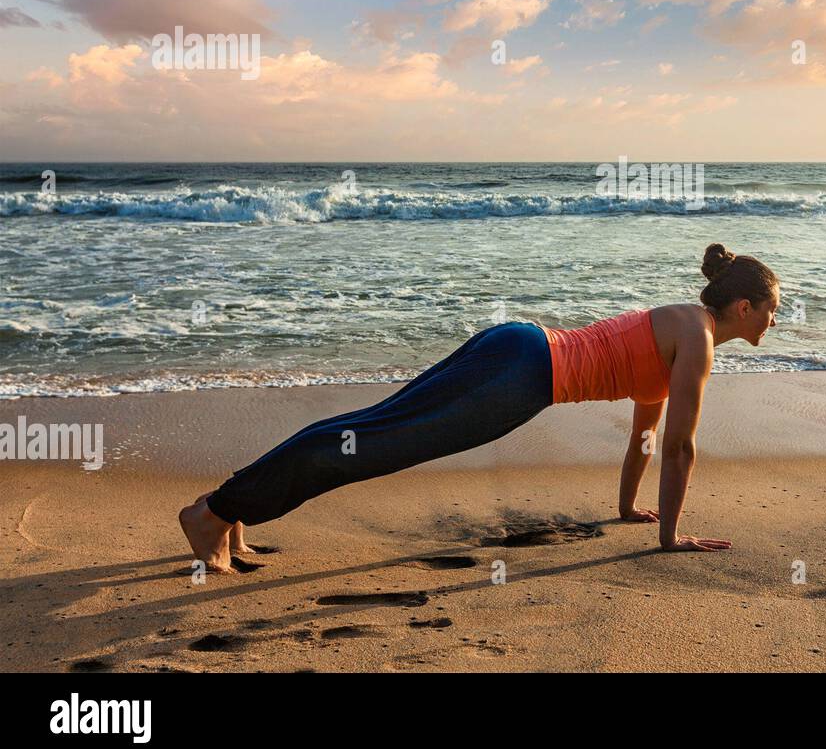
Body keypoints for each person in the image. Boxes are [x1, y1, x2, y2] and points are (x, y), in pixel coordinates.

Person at [179, 242, 780, 571]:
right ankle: (215, 512)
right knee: (375, 443)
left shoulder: (683, 328)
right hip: (522, 376)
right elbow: (680, 447)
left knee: (369, 430)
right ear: (744, 307)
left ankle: (233, 510)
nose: (776, 321)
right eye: (771, 308)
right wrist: (671, 539)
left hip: (520, 345)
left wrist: (629, 509)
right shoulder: (697, 341)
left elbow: (646, 440)